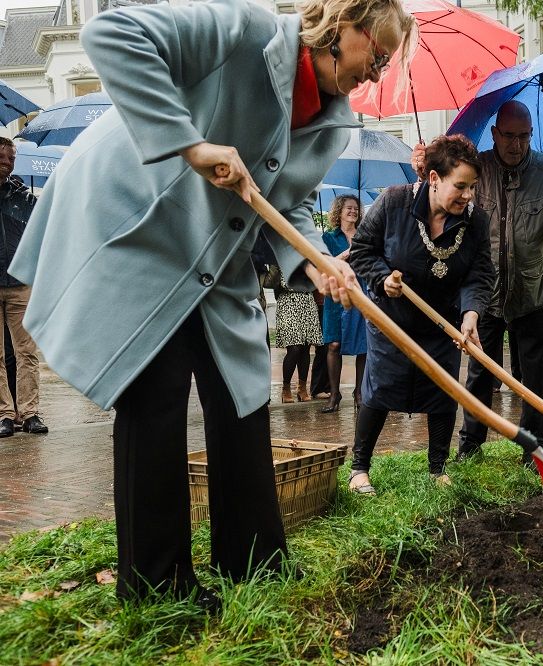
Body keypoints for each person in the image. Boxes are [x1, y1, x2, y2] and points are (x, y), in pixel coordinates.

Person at [8, 0, 415, 606]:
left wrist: (316, 259)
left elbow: (288, 199)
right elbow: (111, 33)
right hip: (139, 223)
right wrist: (191, 144)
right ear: (342, 24)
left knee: (243, 392)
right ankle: (156, 585)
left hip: (215, 253)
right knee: (158, 392)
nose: (377, 72)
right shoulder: (244, 31)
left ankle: (252, 557)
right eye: (376, 54)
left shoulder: (333, 120)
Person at [415, 100, 543, 467]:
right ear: (495, 134)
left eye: (523, 136)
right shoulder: (479, 170)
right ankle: (470, 446)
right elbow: (442, 204)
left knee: (535, 376)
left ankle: (534, 449)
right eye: (509, 136)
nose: (516, 144)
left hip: (532, 291)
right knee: (479, 372)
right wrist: (424, 171)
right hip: (486, 292)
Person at [348, 135, 493, 494]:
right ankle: (359, 469)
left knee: (443, 390)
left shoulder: (475, 222)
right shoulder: (394, 202)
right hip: (391, 320)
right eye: (460, 186)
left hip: (441, 321)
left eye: (472, 187)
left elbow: (479, 274)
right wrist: (383, 279)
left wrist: (471, 312)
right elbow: (362, 250)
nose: (468, 195)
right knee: (379, 388)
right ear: (433, 179)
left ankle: (437, 468)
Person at [0, 138, 47, 437]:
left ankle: (29, 413)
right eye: (1, 156)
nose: (6, 161)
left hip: (20, 284)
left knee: (26, 350)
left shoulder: (24, 197)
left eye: (10, 157)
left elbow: (40, 236)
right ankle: (4, 414)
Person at [320, 194, 368, 413]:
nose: (353, 211)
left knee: (363, 346)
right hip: (336, 295)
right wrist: (348, 253)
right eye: (349, 208)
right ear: (339, 212)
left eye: (356, 209)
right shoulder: (328, 238)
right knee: (334, 344)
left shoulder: (365, 236)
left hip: (360, 293)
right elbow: (323, 264)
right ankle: (334, 393)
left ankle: (359, 392)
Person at [274, 268, 324, 402]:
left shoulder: (308, 255)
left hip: (307, 300)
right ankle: (286, 388)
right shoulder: (281, 253)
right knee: (294, 347)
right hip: (288, 300)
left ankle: (302, 388)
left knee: (305, 347)